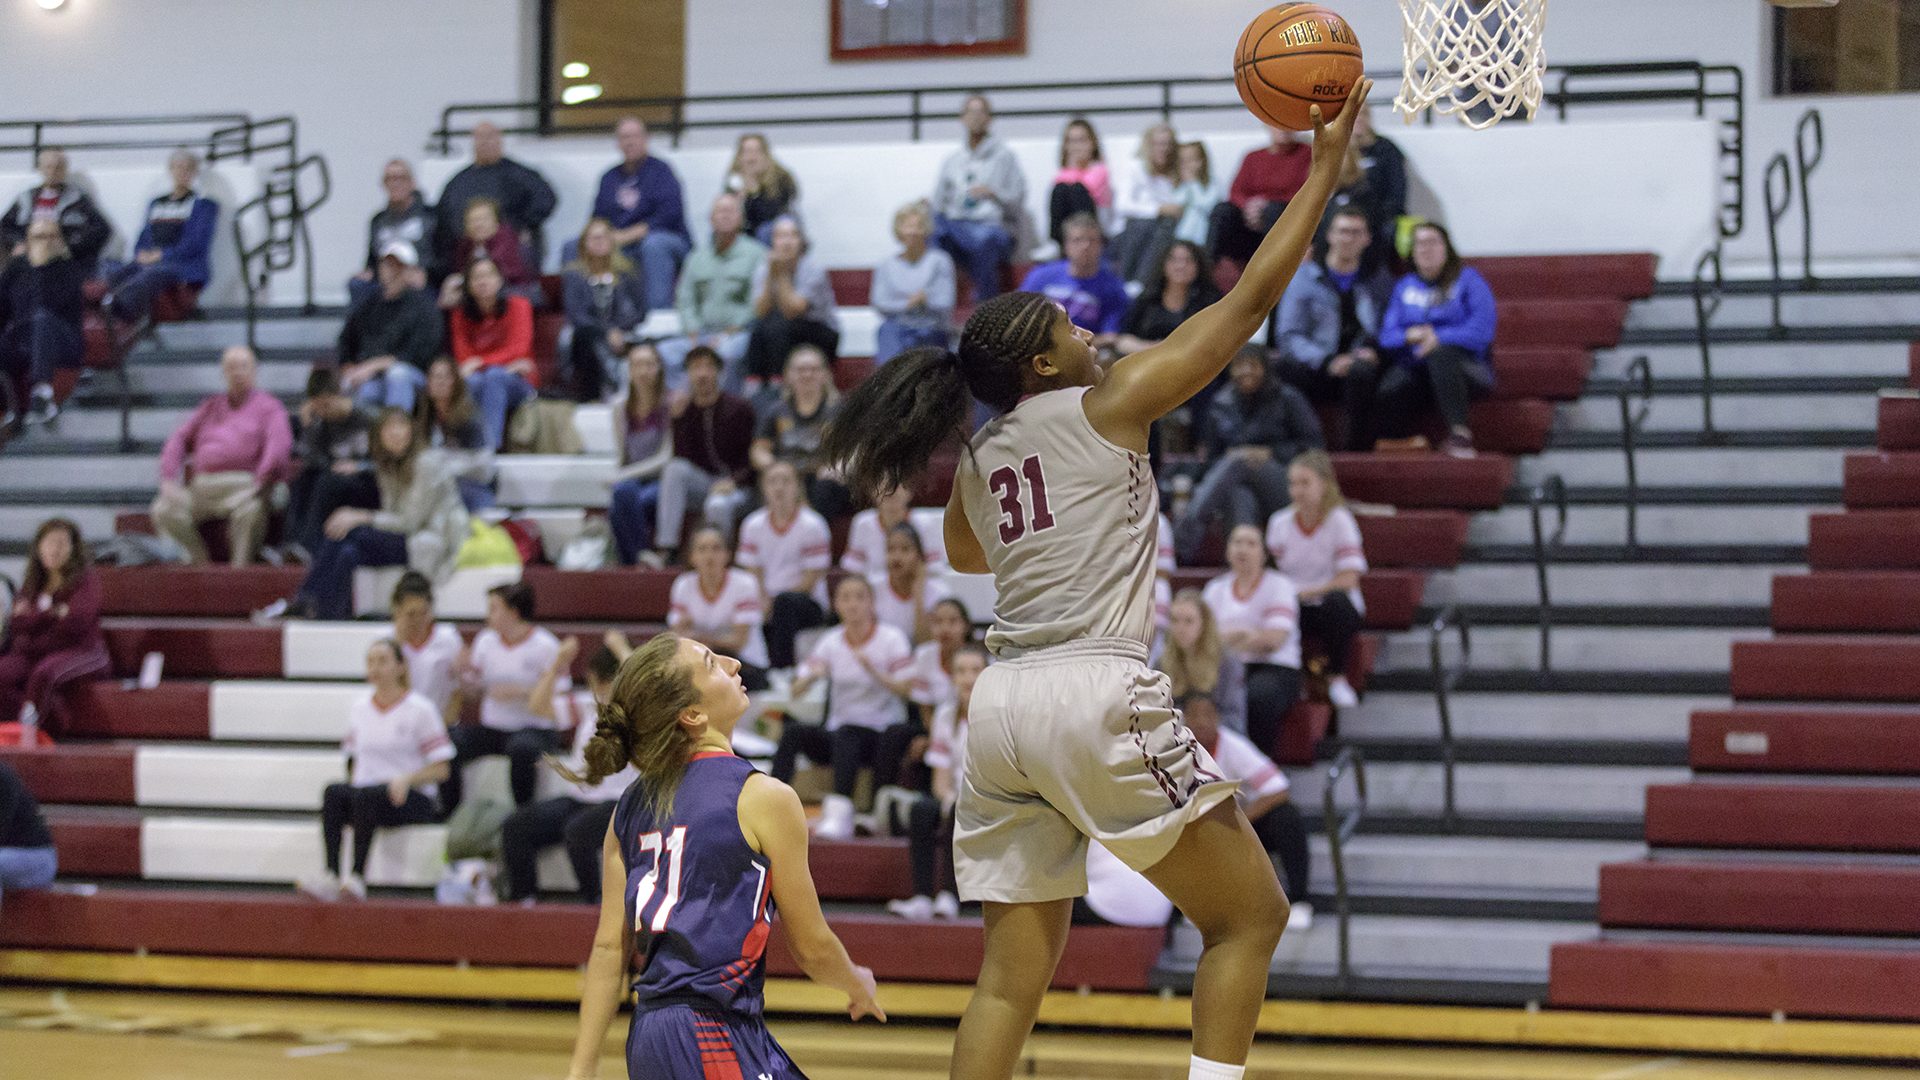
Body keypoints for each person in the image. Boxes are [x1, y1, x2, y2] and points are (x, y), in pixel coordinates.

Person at [816, 78, 1369, 1080]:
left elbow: (969, 555)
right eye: (1067, 325)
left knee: (1007, 981)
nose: (1085, 328)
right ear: (1041, 364)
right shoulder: (1112, 402)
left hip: (1002, 709)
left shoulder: (979, 458)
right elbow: (1248, 303)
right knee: (1250, 917)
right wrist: (1323, 170)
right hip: (1093, 689)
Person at [562, 633, 883, 1080]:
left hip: (650, 1034)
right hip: (710, 1031)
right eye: (713, 663)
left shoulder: (628, 808)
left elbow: (607, 949)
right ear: (692, 714)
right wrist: (855, 980)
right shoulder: (763, 797)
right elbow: (811, 947)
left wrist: (581, 1069)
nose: (734, 663)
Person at [300, 639, 453, 902]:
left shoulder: (420, 709)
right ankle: (330, 874)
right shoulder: (360, 708)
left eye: (383, 661)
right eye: (371, 662)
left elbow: (442, 769)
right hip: (368, 794)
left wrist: (407, 779)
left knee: (366, 795)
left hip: (409, 797)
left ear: (401, 667)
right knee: (334, 792)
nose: (376, 668)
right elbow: (352, 758)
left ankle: (357, 877)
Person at [286, 407, 467, 621]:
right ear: (378, 436)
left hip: (429, 539)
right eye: (389, 428)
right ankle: (328, 616)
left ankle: (305, 600)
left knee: (353, 533)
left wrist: (360, 517)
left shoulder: (427, 463)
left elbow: (411, 522)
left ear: (412, 430)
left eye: (401, 426)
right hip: (404, 535)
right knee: (348, 551)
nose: (395, 433)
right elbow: (393, 516)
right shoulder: (389, 465)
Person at [771, 574, 914, 840]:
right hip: (840, 734)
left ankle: (841, 812)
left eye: (859, 597)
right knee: (794, 732)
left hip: (879, 733)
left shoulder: (891, 638)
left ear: (872, 603)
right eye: (845, 598)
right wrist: (812, 677)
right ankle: (772, 804)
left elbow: (908, 688)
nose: (852, 604)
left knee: (848, 733)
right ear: (836, 605)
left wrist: (874, 671)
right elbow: (795, 690)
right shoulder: (831, 640)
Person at [501, 642, 633, 904]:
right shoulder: (589, 706)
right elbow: (537, 707)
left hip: (620, 803)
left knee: (578, 832)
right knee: (516, 826)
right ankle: (524, 901)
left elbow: (648, 686)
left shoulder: (640, 712)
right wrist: (556, 664)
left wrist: (620, 648)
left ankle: (595, 904)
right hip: (581, 799)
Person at [1173, 346, 1323, 566]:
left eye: (1253, 365)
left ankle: (1185, 530)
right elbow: (1211, 460)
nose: (1246, 371)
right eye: (1240, 366)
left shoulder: (1288, 398)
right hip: (1235, 481)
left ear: (1266, 368)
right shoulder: (1221, 403)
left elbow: (1314, 447)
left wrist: (1271, 452)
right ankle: (1248, 567)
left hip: (1285, 483)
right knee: (1238, 495)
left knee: (1240, 460)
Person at [1177, 693, 1311, 930]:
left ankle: (1299, 901)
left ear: (1218, 719)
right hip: (1197, 828)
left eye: (1208, 714)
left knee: (1287, 817)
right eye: (1194, 715)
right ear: (1183, 721)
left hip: (1240, 825)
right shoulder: (1172, 752)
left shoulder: (1234, 746)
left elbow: (1279, 788)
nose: (1202, 721)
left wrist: (1240, 819)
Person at [151, 346, 292, 567]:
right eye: (231, 367)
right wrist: (168, 478)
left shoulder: (270, 408)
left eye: (243, 366)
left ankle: (238, 574)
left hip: (247, 485)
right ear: (224, 373)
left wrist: (264, 479)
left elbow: (278, 447)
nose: (237, 372)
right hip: (204, 487)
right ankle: (200, 565)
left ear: (255, 371)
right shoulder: (210, 407)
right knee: (163, 509)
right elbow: (178, 438)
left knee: (251, 510)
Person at [1372, 221, 1498, 458]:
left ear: (1447, 248)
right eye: (1419, 243)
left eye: (1433, 242)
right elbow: (1387, 336)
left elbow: (1481, 331)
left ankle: (1460, 435)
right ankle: (1396, 443)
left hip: (1465, 368)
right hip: (1417, 368)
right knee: (1390, 384)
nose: (1425, 249)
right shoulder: (1404, 286)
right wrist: (1411, 335)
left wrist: (1438, 337)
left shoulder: (1469, 281)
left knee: (1440, 353)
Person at [1273, 209, 1393, 451]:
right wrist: (1327, 360)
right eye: (1342, 231)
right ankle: (1299, 451)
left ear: (1367, 239)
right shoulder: (1303, 278)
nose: (1348, 238)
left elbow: (1388, 327)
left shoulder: (1378, 280)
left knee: (1370, 373)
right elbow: (1288, 335)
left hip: (1359, 366)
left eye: (1355, 232)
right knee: (1282, 367)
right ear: (1329, 235)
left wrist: (1373, 351)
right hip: (1317, 365)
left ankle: (1355, 454)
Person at [447, 582, 569, 812]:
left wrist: (521, 691)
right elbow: (473, 693)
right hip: (494, 728)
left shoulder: (545, 645)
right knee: (450, 741)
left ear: (513, 613)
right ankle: (450, 812)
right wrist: (460, 674)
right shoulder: (485, 641)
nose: (487, 616)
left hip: (534, 727)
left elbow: (560, 697)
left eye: (494, 609)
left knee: (522, 749)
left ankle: (523, 813)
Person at [887, 642, 987, 921]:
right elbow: (940, 780)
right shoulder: (944, 716)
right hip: (956, 798)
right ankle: (921, 897)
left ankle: (949, 895)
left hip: (988, 800)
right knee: (923, 809)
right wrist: (947, 799)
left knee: (958, 809)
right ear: (952, 678)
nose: (968, 678)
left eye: (975, 671)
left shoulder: (998, 716)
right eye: (961, 671)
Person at [1266, 451, 1368, 708]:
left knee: (1337, 603)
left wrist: (1305, 593)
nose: (1298, 491)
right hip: (1295, 605)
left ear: (1323, 484)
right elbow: (1271, 574)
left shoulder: (1340, 520)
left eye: (1305, 483)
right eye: (1293, 484)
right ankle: (1289, 680)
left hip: (1330, 605)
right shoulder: (1279, 523)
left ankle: (1337, 679)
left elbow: (1348, 578)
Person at [646, 346, 757, 565]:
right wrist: (677, 421)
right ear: (688, 374)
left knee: (717, 505)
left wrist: (734, 481)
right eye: (696, 368)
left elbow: (751, 456)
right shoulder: (684, 410)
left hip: (738, 486)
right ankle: (667, 549)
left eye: (708, 367)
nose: (702, 374)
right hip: (704, 482)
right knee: (674, 469)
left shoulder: (739, 408)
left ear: (719, 372)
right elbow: (683, 457)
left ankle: (719, 561)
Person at [0, 518, 108, 736]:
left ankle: (31, 735)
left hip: (82, 651)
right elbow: (18, 623)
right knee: (4, 672)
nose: (54, 549)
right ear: (38, 547)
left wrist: (37, 618)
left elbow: (75, 623)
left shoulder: (85, 581)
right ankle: (8, 732)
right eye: (48, 543)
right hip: (36, 651)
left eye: (61, 543)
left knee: (44, 674)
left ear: (73, 549)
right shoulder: (33, 582)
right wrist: (52, 613)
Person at [1202, 525, 1304, 756]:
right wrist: (1246, 633)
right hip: (1224, 665)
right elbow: (1203, 641)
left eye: (1251, 543)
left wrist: (1225, 637)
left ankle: (1261, 764)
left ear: (1264, 554)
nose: (1243, 549)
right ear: (1227, 551)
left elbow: (1273, 640)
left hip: (1274, 667)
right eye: (1237, 542)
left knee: (1258, 697)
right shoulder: (1215, 589)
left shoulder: (1280, 585)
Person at [659, 193, 764, 390]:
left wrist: (728, 333)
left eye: (730, 211)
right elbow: (686, 300)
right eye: (720, 211)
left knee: (727, 353)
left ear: (740, 219)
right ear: (711, 218)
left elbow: (757, 302)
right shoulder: (696, 258)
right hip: (700, 335)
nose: (725, 215)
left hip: (738, 334)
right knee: (666, 352)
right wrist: (693, 332)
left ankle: (727, 405)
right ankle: (682, 404)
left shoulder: (756, 255)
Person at [736, 460, 833, 672]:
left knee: (784, 604)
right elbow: (753, 573)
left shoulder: (813, 525)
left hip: (807, 602)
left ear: (797, 487)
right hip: (767, 598)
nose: (779, 488)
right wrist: (763, 600)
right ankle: (752, 672)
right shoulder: (752, 525)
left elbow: (810, 581)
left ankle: (782, 671)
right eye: (773, 481)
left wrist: (772, 602)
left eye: (786, 481)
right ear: (764, 488)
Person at [932, 94, 1027, 305]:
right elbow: (938, 203)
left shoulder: (1004, 157)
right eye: (970, 112)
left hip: (992, 226)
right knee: (931, 227)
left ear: (990, 118)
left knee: (984, 240)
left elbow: (1017, 198)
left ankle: (986, 305)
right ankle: (937, 304)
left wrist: (994, 194)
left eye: (980, 112)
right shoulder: (952, 160)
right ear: (962, 118)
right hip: (958, 225)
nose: (975, 117)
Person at [105, 149, 219, 323]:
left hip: (180, 266)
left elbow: (196, 243)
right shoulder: (156, 203)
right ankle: (102, 312)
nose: (182, 172)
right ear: (170, 170)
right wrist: (141, 254)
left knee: (151, 274)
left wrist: (161, 255)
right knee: (109, 266)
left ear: (194, 173)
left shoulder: (204, 206)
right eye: (178, 168)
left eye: (187, 168)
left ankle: (122, 314)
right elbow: (144, 235)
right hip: (151, 262)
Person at [593, 117, 690, 312]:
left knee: (654, 245)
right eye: (624, 137)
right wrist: (605, 236)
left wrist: (627, 235)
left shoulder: (662, 172)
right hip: (619, 243)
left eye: (635, 136)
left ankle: (658, 315)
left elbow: (669, 215)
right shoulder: (609, 178)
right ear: (618, 143)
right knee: (574, 246)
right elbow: (597, 218)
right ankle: (588, 319)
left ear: (646, 139)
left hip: (665, 240)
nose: (630, 142)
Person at [435, 122, 557, 275]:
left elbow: (546, 200)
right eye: (480, 138)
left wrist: (518, 227)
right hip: (467, 256)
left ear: (500, 140)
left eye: (490, 137)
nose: (485, 142)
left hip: (512, 252)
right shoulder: (457, 183)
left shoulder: (522, 175)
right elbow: (445, 219)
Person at [336, 240, 443, 411]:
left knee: (398, 374)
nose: (393, 272)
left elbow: (416, 355)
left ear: (411, 271)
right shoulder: (369, 304)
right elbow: (346, 340)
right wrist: (349, 367)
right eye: (388, 265)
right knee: (358, 387)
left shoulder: (424, 307)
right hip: (373, 376)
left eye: (399, 266)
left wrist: (374, 366)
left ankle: (398, 423)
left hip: (414, 377)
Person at [284, 366, 378, 560]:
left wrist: (360, 467)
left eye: (326, 405)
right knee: (302, 479)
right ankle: (289, 545)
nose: (323, 412)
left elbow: (389, 461)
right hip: (335, 479)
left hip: (367, 480)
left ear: (340, 395)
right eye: (317, 407)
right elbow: (312, 460)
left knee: (326, 481)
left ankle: (308, 548)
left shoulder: (368, 417)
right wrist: (309, 426)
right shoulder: (320, 422)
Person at [0, 219, 86, 426]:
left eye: (51, 236)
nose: (45, 242)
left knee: (42, 319)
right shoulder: (17, 268)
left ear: (60, 241)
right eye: (39, 237)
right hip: (24, 339)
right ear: (28, 242)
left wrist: (40, 268)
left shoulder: (69, 268)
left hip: (62, 341)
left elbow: (50, 306)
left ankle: (42, 396)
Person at [449, 256, 537, 451]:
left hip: (519, 381)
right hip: (480, 378)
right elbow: (463, 358)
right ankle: (464, 446)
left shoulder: (519, 305)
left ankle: (489, 449)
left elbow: (519, 349)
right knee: (470, 382)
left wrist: (481, 362)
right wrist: (490, 364)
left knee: (495, 376)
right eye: (477, 277)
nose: (483, 281)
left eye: (489, 275)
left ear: (500, 280)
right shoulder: (460, 313)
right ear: (468, 285)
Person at [749, 344, 847, 517]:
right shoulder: (775, 411)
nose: (807, 375)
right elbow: (758, 450)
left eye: (814, 369)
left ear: (825, 374)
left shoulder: (840, 410)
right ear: (788, 375)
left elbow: (856, 450)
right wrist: (774, 467)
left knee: (825, 487)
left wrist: (839, 466)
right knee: (773, 484)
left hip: (823, 477)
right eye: (801, 370)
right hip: (787, 474)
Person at [670, 525, 771, 691]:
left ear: (727, 554)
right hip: (704, 663)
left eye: (716, 549)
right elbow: (678, 637)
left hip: (746, 665)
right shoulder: (683, 585)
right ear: (692, 556)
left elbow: (739, 641)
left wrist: (698, 636)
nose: (709, 556)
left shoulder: (745, 583)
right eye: (702, 549)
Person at [743, 216, 839, 389]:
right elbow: (760, 311)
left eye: (792, 236)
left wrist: (780, 274)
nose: (786, 242)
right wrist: (770, 276)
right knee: (758, 327)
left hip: (820, 330)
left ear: (801, 241)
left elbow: (793, 310)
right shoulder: (763, 269)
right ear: (772, 241)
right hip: (779, 330)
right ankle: (755, 386)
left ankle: (779, 386)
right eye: (780, 236)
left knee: (781, 325)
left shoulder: (813, 269)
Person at [560, 218, 648, 403]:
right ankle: (594, 396)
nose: (599, 242)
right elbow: (576, 314)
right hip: (589, 336)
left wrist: (618, 330)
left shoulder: (628, 273)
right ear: (584, 244)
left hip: (624, 333)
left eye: (604, 237)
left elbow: (638, 310)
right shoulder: (574, 275)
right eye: (594, 238)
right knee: (586, 340)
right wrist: (606, 333)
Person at [1017, 213, 1129, 347]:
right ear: (1066, 245)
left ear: (1101, 246)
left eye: (1092, 240)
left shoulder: (1113, 287)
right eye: (1078, 240)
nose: (1085, 246)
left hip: (1085, 350)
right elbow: (1019, 318)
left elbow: (1109, 337)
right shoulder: (1040, 276)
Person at [607, 343, 674, 565]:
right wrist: (621, 477)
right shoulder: (619, 407)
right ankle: (639, 558)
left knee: (636, 500)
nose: (644, 371)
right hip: (633, 479)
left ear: (659, 368)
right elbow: (622, 456)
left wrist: (622, 476)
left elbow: (666, 457)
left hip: (662, 478)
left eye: (649, 364)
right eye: (637, 365)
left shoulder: (669, 403)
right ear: (629, 369)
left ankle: (635, 562)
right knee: (621, 493)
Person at [1209, 128, 1311, 271]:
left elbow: (1307, 192)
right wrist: (1248, 206)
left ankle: (1274, 270)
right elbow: (1236, 191)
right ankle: (1209, 268)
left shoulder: (1307, 154)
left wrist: (1266, 204)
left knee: (1274, 210)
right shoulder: (1253, 157)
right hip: (1249, 221)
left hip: (1284, 218)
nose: (1283, 129)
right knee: (1222, 210)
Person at [0, 148, 112, 276]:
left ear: (64, 170)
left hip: (67, 264)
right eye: (48, 167)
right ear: (39, 169)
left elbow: (101, 229)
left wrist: (70, 246)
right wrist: (17, 243)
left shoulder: (78, 199)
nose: (52, 172)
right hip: (27, 261)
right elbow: (5, 227)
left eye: (58, 167)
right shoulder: (25, 199)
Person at [1326, 105, 1407, 280]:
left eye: (1362, 114)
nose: (1358, 119)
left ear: (1369, 117)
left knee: (1380, 229)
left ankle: (1373, 278)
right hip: (1341, 213)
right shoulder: (1335, 149)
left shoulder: (1386, 149)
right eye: (1352, 115)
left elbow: (1397, 194)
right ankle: (1327, 276)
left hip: (1376, 216)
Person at [871, 200, 956, 365]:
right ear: (898, 231)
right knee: (887, 333)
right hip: (897, 328)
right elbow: (880, 302)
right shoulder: (886, 265)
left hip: (932, 327)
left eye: (918, 226)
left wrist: (924, 300)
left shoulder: (940, 260)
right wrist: (908, 303)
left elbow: (945, 301)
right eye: (908, 226)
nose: (913, 232)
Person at [1153, 589, 1247, 738]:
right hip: (1175, 738)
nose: (1181, 628)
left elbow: (1234, 719)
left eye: (1189, 621)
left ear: (1204, 624)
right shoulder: (1161, 664)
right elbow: (1155, 712)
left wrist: (1200, 726)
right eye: (1175, 620)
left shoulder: (1226, 662)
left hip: (1217, 739)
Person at [414, 355, 496, 511]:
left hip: (473, 486)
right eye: (435, 377)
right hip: (439, 485)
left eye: (446, 377)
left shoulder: (470, 417)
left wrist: (447, 463)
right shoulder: (424, 415)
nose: (440, 382)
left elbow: (484, 466)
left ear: (456, 381)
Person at [349, 159, 437, 304]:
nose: (395, 184)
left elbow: (443, 256)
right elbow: (372, 260)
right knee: (357, 285)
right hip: (386, 281)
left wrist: (427, 274)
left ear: (412, 182)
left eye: (401, 178)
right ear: (384, 184)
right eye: (390, 179)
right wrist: (369, 272)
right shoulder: (378, 221)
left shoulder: (431, 216)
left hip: (420, 279)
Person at [1115, 241, 1220, 357]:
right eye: (1174, 259)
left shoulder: (1209, 303)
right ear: (1164, 264)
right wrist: (1156, 349)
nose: (1180, 266)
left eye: (1188, 260)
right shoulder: (1147, 299)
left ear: (1198, 266)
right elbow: (1124, 341)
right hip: (1148, 362)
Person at [390, 570, 466, 724]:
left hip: (441, 723)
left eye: (423, 613)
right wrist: (398, 647)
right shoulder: (387, 643)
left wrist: (438, 729)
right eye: (411, 614)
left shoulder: (448, 639)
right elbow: (391, 692)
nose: (418, 620)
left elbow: (458, 693)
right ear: (397, 611)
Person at [1109, 123, 1181, 284]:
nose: (1164, 149)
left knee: (1166, 225)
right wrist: (1158, 209)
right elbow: (1122, 206)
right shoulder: (1135, 168)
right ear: (1148, 145)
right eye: (1158, 144)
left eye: (1167, 144)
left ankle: (1143, 283)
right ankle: (1139, 281)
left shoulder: (1175, 175)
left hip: (1162, 232)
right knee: (1151, 224)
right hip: (1130, 232)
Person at [840, 483, 945, 579]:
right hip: (873, 589)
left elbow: (935, 567)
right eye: (884, 485)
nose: (891, 491)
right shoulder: (863, 522)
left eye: (897, 485)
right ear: (874, 493)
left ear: (909, 493)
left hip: (915, 586)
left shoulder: (925, 523)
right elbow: (852, 566)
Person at [873, 521, 952, 646]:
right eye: (891, 549)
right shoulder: (874, 590)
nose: (896, 557)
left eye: (905, 549)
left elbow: (926, 643)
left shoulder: (939, 593)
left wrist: (919, 590)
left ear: (919, 556)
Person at [447, 196, 537, 301]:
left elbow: (505, 276)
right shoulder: (465, 245)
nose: (479, 224)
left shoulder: (507, 240)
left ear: (496, 221)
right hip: (476, 295)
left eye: (483, 219)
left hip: (513, 293)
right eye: (473, 220)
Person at [725, 132, 798, 245]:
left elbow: (771, 215)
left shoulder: (781, 179)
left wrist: (754, 188)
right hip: (745, 236)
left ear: (765, 154)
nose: (752, 157)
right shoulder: (734, 182)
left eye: (756, 151)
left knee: (765, 231)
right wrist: (741, 199)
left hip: (771, 234)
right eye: (747, 152)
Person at [1048, 117, 1112, 245]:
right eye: (1072, 142)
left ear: (1092, 143)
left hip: (1095, 224)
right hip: (1068, 226)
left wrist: (1074, 167)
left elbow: (1087, 188)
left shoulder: (1100, 170)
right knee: (1060, 189)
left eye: (1081, 141)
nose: (1077, 147)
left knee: (1077, 189)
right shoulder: (1063, 174)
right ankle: (1060, 242)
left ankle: (1081, 240)